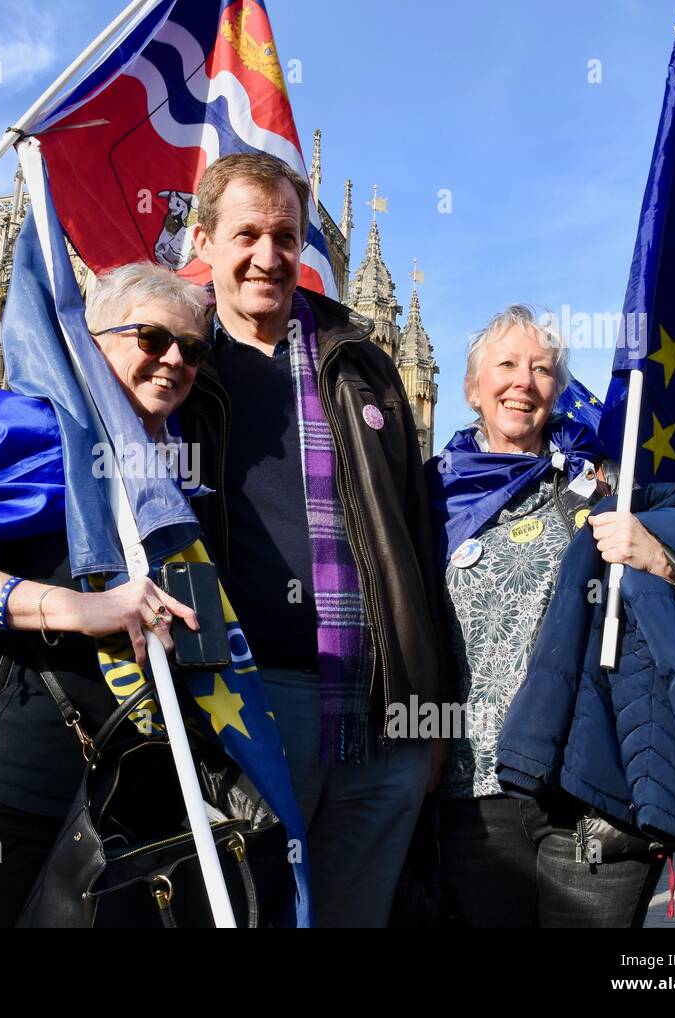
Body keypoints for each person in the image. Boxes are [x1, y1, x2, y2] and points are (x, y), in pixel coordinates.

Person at [174, 153, 455, 927]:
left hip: (379, 707)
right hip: (249, 701)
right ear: (203, 238)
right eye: (248, 234)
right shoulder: (172, 361)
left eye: (286, 236)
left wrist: (431, 715)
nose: (269, 256)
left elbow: (415, 540)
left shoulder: (361, 364)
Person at [0, 262, 208, 927]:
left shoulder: (180, 466)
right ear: (94, 339)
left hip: (148, 785)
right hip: (28, 777)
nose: (173, 360)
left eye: (191, 348)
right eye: (153, 339)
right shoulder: (34, 429)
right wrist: (79, 609)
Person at [429, 303, 675, 927]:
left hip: (587, 787)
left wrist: (662, 560)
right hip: (474, 792)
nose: (524, 381)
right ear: (471, 389)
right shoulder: (426, 495)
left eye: (542, 369)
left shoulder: (606, 487)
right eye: (507, 365)